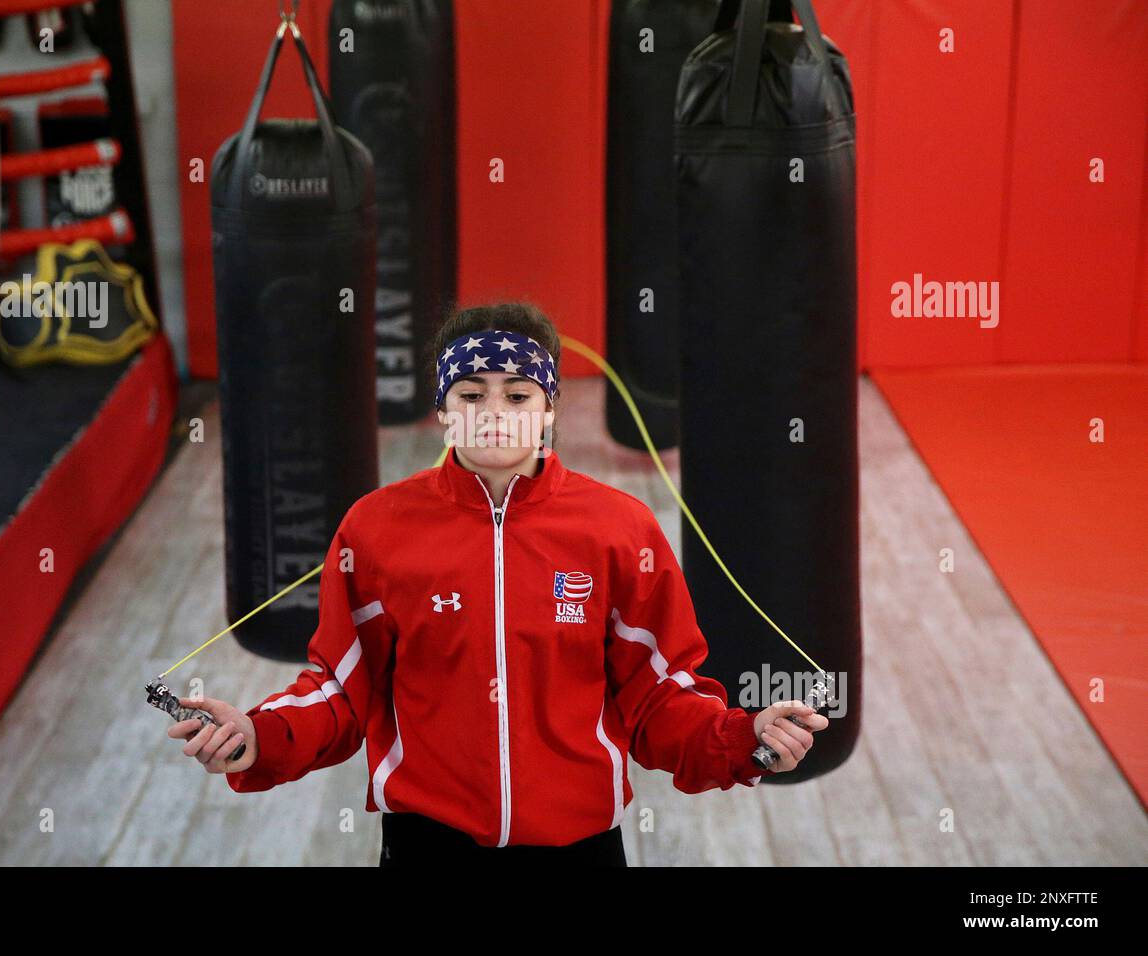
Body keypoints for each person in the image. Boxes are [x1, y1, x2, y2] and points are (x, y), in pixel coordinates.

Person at [168, 301, 828, 866]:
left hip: (581, 846)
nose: (494, 411)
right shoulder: (375, 529)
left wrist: (746, 741)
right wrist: (257, 738)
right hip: (427, 843)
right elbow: (340, 690)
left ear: (548, 410)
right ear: (444, 408)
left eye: (517, 394)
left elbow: (659, 699)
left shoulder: (620, 530)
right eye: (471, 393)